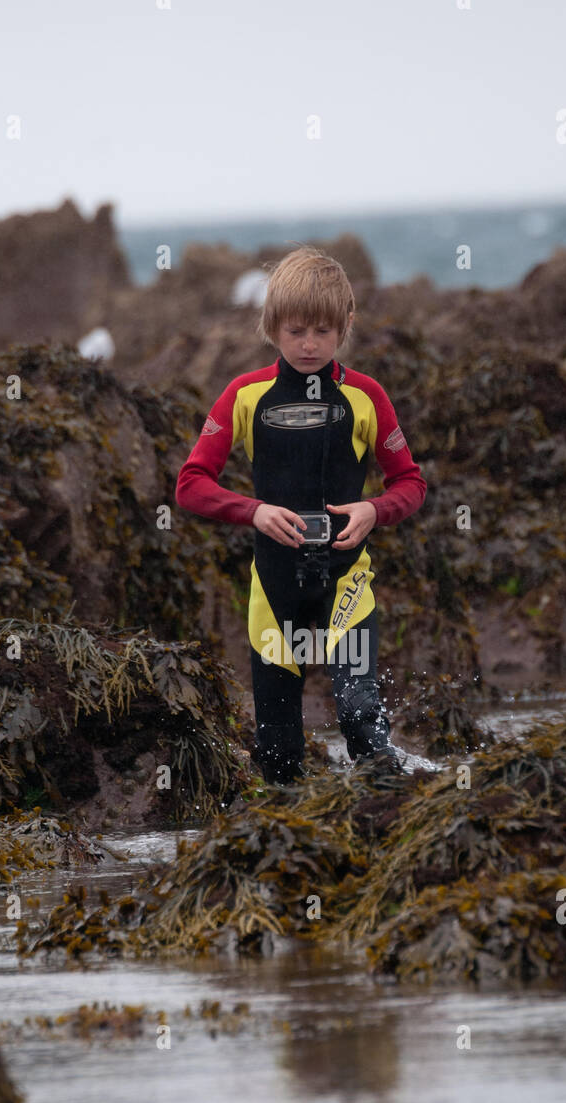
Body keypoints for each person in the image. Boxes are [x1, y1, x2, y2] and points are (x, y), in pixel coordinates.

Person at [175, 245, 426, 784]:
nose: (309, 345)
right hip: (275, 589)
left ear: (346, 326)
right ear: (270, 327)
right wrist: (255, 511)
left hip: (347, 585)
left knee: (361, 723)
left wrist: (373, 510)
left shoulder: (366, 396)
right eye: (294, 332)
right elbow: (190, 485)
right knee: (279, 758)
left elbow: (411, 483)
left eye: (322, 332)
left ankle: (388, 824)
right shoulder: (244, 396)